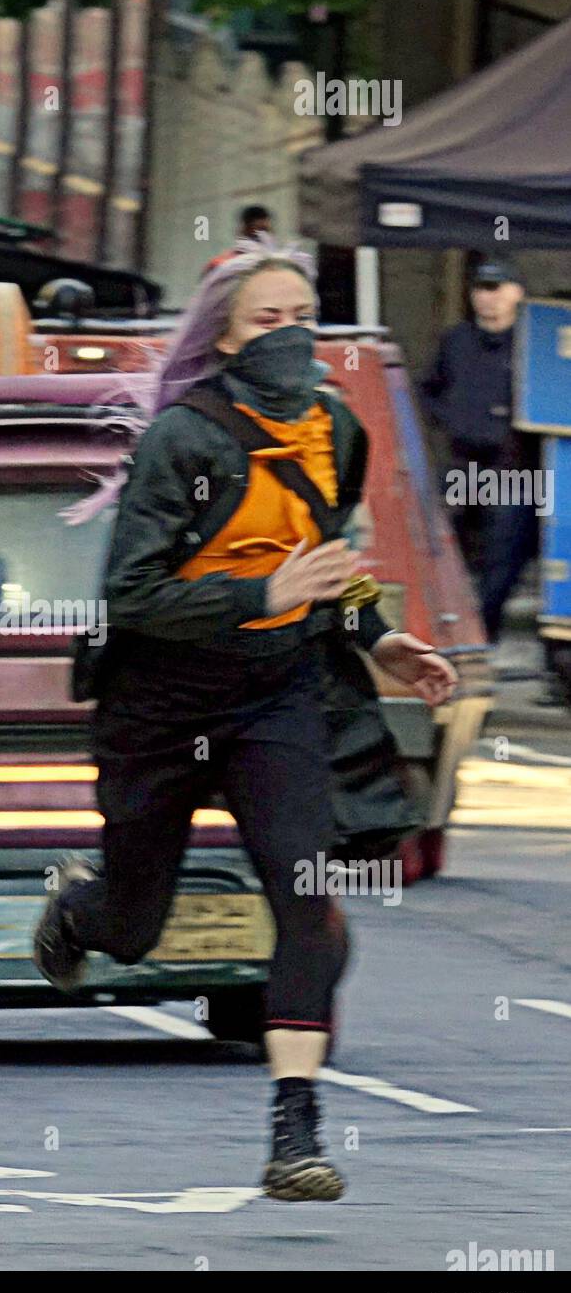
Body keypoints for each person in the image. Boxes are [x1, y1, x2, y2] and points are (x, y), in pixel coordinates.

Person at [34, 246, 457, 1202]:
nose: (293, 334)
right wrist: (258, 589)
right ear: (224, 334)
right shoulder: (184, 439)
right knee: (136, 932)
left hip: (277, 695)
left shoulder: (336, 430)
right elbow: (131, 593)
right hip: (161, 700)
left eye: (305, 314)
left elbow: (327, 562)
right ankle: (79, 907)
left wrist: (381, 641)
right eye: (270, 319)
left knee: (308, 897)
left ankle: (295, 1132)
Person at [420, 259, 536, 642]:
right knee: (443, 550)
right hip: (464, 464)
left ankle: (482, 637)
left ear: (517, 293)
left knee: (502, 558)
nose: (488, 298)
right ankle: (447, 632)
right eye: (482, 289)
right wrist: (450, 418)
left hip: (515, 469)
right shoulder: (457, 340)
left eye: (497, 288)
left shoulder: (531, 343)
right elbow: (428, 388)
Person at [202, 205, 275, 276]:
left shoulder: (218, 264)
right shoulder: (218, 265)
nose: (265, 237)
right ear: (244, 229)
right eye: (261, 230)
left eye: (266, 231)